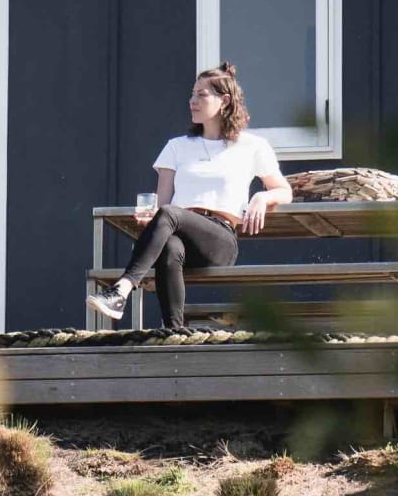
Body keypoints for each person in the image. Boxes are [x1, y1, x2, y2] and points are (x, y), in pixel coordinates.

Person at [89, 64, 291, 330]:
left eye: (201, 95)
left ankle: (121, 290)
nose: (192, 101)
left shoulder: (252, 145)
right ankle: (174, 331)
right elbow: (162, 205)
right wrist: (151, 221)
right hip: (178, 234)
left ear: (224, 101)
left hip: (220, 238)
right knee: (169, 246)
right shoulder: (177, 147)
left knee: (171, 214)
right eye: (192, 94)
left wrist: (261, 198)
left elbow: (284, 191)